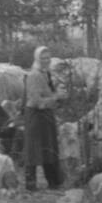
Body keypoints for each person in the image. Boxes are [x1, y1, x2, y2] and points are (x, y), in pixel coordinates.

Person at [23, 46, 62, 191]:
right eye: (43, 58)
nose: (46, 60)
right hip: (35, 115)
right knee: (33, 148)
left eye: (48, 58)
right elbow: (37, 102)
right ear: (37, 59)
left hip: (46, 114)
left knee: (49, 147)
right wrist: (56, 97)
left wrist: (54, 97)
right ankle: (31, 184)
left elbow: (47, 97)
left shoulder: (46, 73)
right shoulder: (34, 76)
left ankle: (54, 181)